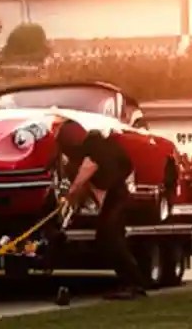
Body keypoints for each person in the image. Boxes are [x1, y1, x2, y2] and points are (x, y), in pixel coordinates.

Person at [55, 120, 146, 299]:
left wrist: (69, 195)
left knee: (110, 237)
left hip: (117, 194)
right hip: (117, 193)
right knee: (108, 237)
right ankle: (129, 283)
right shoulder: (103, 146)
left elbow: (84, 176)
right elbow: (92, 186)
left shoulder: (92, 148)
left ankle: (134, 284)